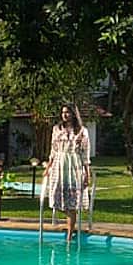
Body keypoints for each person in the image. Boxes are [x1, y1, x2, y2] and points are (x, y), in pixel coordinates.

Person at [43, 103, 91, 242]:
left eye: (68, 112)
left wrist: (87, 173)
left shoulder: (82, 131)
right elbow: (53, 150)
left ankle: (69, 235)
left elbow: (85, 153)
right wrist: (48, 167)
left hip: (74, 165)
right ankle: (70, 220)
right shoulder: (57, 129)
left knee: (73, 202)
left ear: (73, 114)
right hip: (59, 164)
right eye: (63, 112)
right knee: (56, 198)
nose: (65, 115)